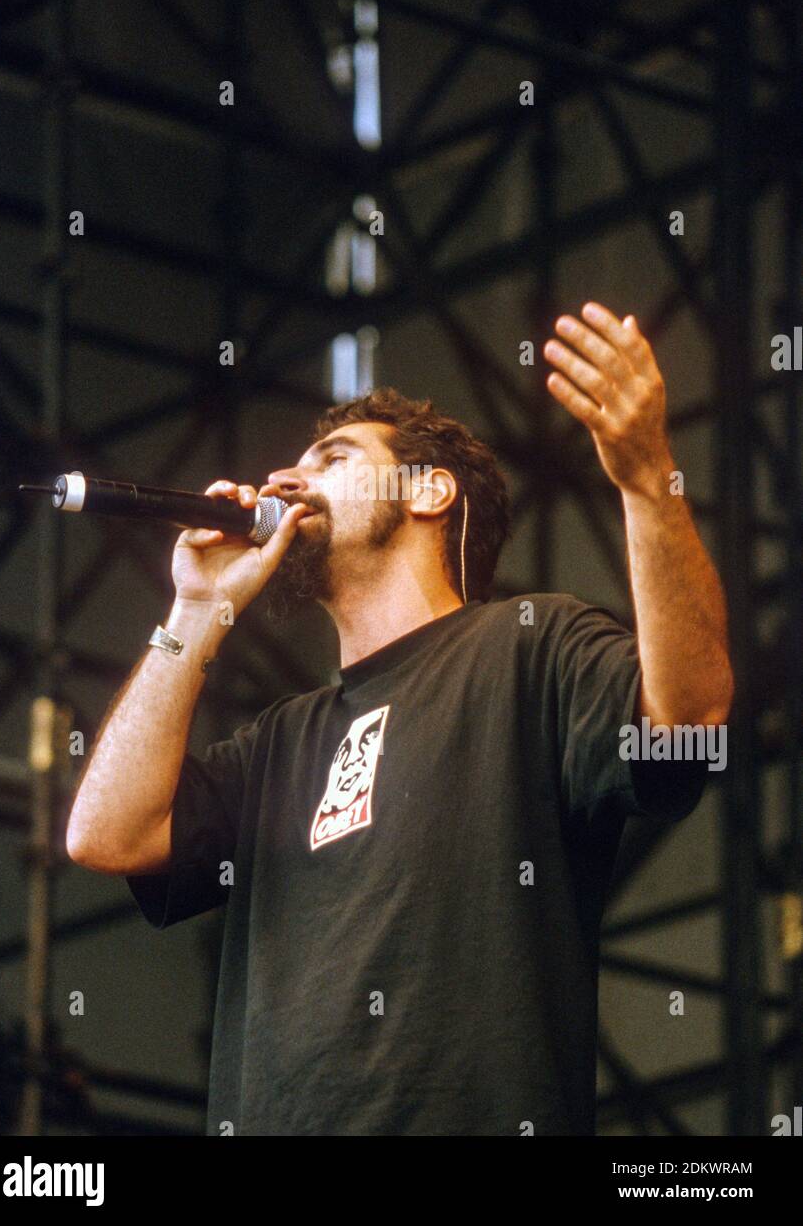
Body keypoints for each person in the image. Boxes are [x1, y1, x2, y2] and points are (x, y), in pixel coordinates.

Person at [66, 303, 733, 1136]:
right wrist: (196, 608)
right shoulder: (279, 743)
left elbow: (693, 719)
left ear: (428, 491)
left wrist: (645, 478)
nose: (284, 482)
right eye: (292, 464)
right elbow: (105, 835)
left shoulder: (532, 647)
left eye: (334, 458)